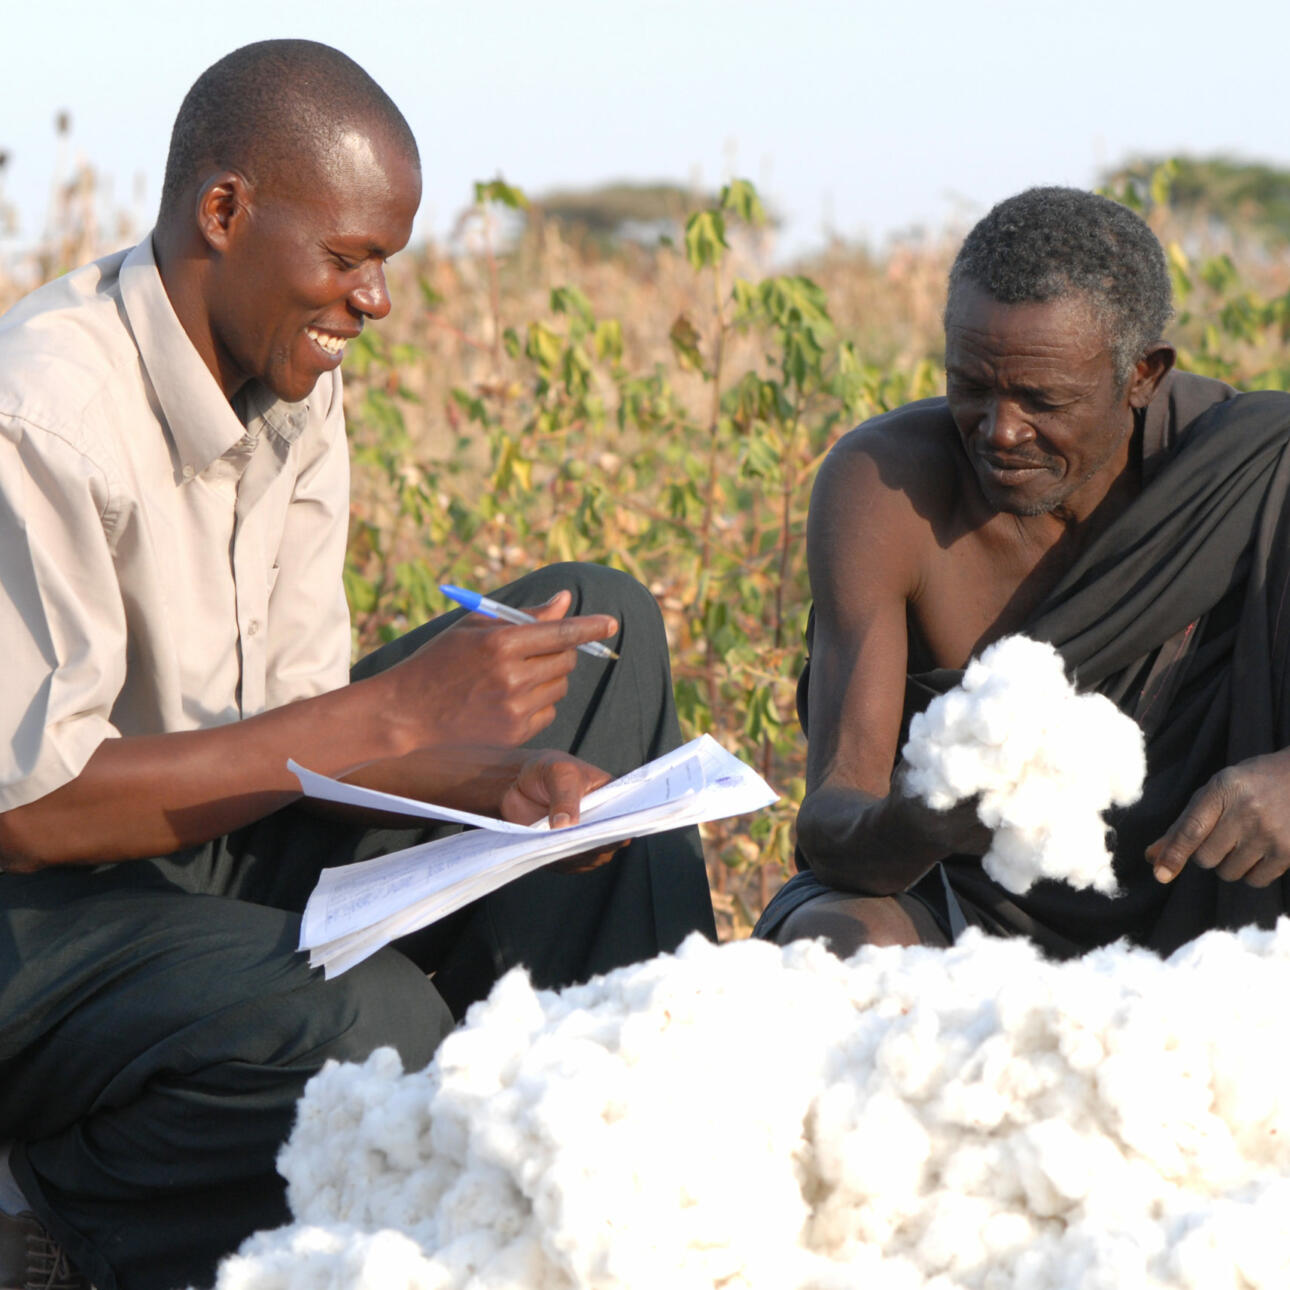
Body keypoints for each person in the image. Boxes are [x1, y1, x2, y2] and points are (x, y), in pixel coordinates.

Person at [0, 40, 713, 1290]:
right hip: (42, 915)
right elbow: (32, 807)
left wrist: (477, 784)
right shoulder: (44, 413)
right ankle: (68, 1199)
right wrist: (391, 720)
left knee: (597, 626)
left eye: (385, 262)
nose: (374, 301)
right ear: (223, 213)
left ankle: (624, 1145)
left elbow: (292, 730)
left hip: (205, 840)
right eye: (349, 258)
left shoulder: (291, 375)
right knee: (376, 1035)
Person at [756, 185, 1290, 962]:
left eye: (1042, 399)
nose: (1000, 431)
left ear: (1143, 374)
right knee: (840, 947)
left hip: (1220, 905)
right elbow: (836, 816)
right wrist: (920, 822)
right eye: (970, 388)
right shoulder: (885, 489)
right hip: (966, 907)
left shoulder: (1261, 474)